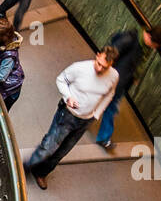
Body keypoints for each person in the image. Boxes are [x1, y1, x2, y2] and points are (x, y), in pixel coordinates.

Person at [26, 46, 119, 189]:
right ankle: (26, 168)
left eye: (104, 67)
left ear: (111, 65)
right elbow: (61, 79)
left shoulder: (114, 76)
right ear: (98, 55)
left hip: (85, 120)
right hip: (67, 115)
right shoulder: (80, 68)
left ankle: (41, 173)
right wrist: (68, 97)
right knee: (50, 146)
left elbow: (110, 94)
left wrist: (96, 114)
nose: (100, 69)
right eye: (99, 63)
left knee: (62, 151)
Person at [96, 25, 161, 149]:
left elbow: (136, 63)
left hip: (121, 82)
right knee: (106, 104)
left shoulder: (145, 47)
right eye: (155, 45)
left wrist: (135, 77)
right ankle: (100, 135)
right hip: (113, 79)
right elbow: (110, 52)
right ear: (150, 37)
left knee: (109, 105)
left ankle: (102, 136)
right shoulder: (131, 38)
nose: (154, 48)